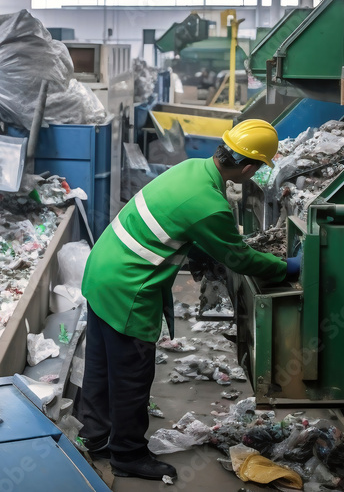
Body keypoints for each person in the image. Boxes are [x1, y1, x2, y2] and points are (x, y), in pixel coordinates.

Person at [76, 119, 301, 481]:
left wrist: (197, 250)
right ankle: (128, 455)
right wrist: (288, 267)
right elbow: (240, 258)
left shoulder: (190, 168)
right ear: (246, 167)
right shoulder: (210, 205)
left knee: (101, 369)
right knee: (132, 376)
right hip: (126, 289)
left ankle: (95, 436)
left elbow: (176, 222)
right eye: (258, 168)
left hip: (102, 271)